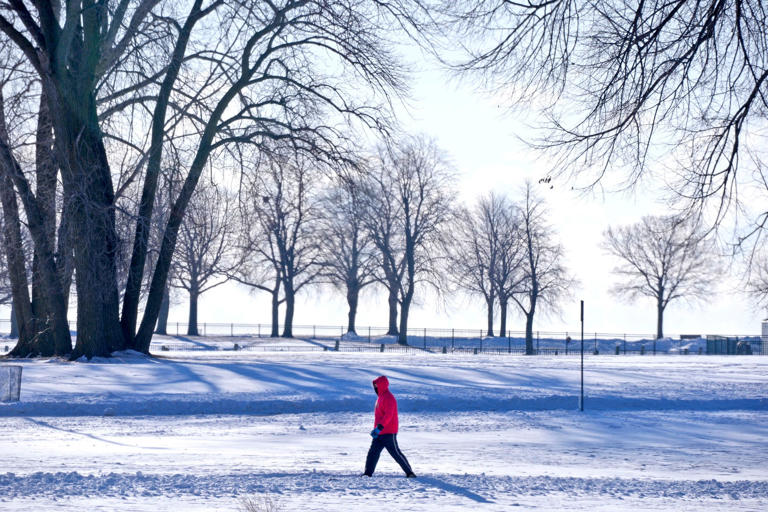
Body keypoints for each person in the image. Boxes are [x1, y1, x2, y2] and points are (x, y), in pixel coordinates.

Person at [362, 375, 416, 478]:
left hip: (388, 432)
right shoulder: (380, 398)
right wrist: (376, 429)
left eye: (376, 386)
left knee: (395, 453)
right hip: (379, 433)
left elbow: (389, 415)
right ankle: (367, 474)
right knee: (372, 453)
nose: (375, 388)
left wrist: (379, 428)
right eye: (374, 386)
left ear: (381, 385)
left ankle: (410, 473)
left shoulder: (388, 398)